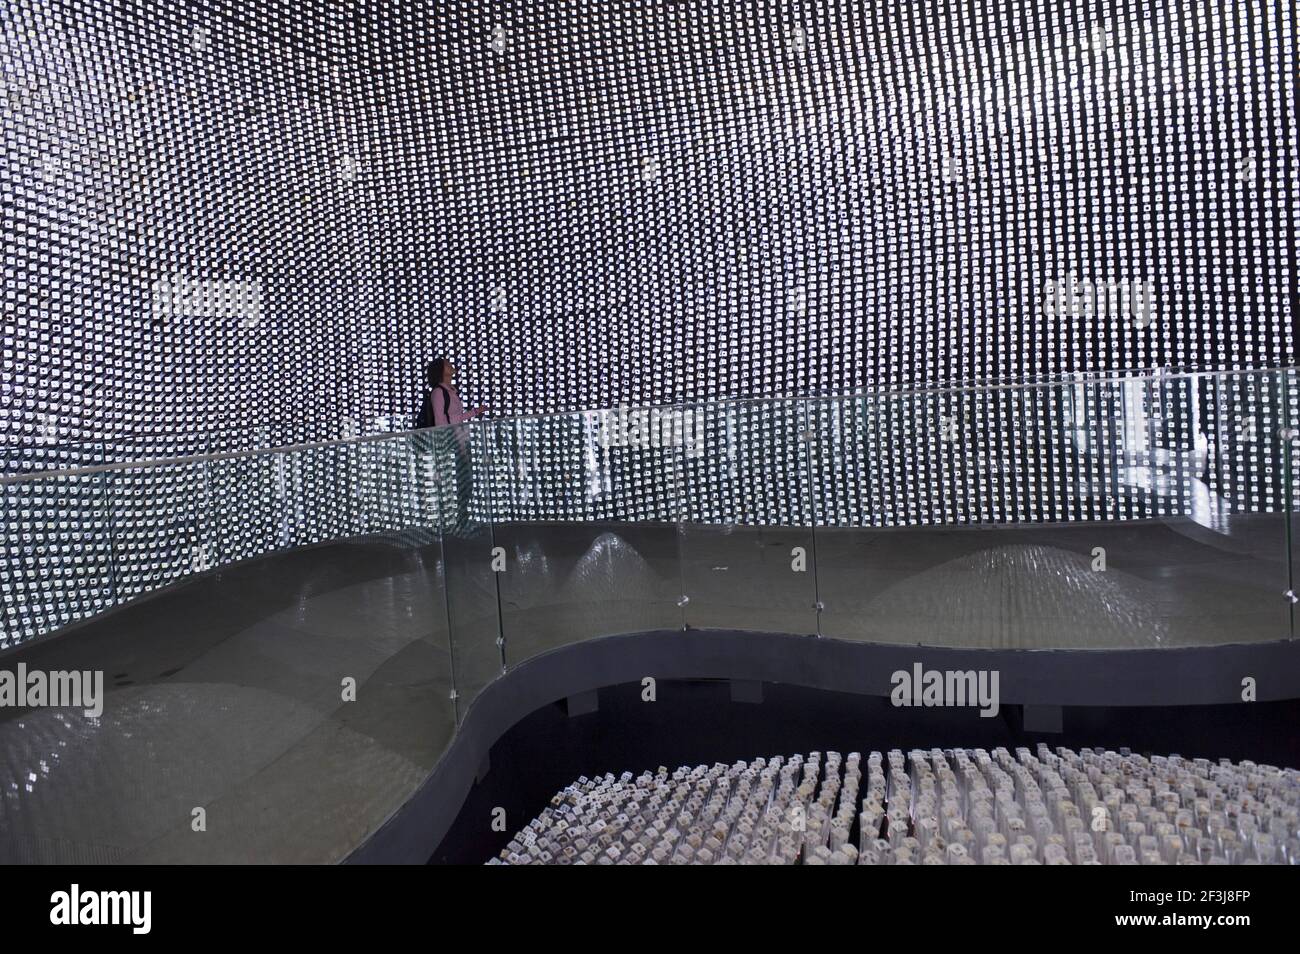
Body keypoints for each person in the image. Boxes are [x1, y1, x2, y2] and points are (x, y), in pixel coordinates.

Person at [418, 357, 486, 531]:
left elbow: (453, 418)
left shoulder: (450, 392)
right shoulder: (438, 393)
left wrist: (475, 412)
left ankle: (460, 522)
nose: (451, 364)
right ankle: (454, 525)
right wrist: (448, 444)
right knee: (458, 483)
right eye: (447, 363)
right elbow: (441, 421)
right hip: (451, 444)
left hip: (458, 442)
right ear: (441, 370)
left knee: (465, 482)